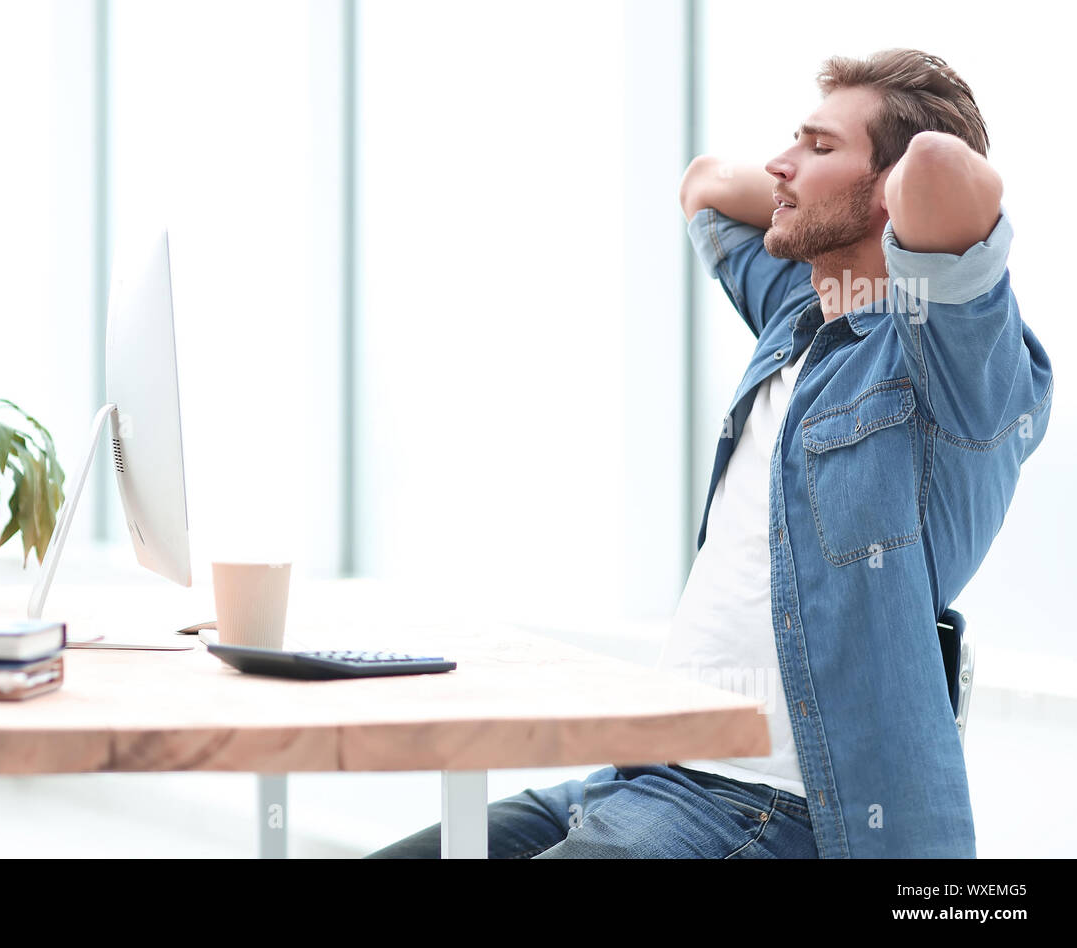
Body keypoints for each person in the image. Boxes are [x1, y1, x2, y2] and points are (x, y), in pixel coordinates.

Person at [367, 48, 1051, 859]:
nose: (779, 165)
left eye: (819, 146)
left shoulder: (949, 365)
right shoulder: (802, 313)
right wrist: (823, 186)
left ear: (889, 192)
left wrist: (880, 191)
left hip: (768, 806)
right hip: (635, 776)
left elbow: (940, 167)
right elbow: (702, 185)